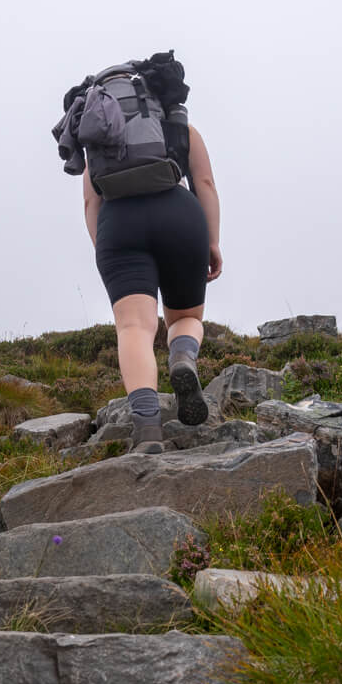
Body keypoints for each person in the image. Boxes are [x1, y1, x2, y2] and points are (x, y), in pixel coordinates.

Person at [83, 126, 223, 452]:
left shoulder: (100, 131)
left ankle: (147, 430)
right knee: (184, 317)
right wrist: (212, 240)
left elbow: (91, 202)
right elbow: (205, 184)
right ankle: (182, 357)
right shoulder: (181, 126)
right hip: (180, 215)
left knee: (134, 326)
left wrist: (105, 247)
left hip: (119, 222)